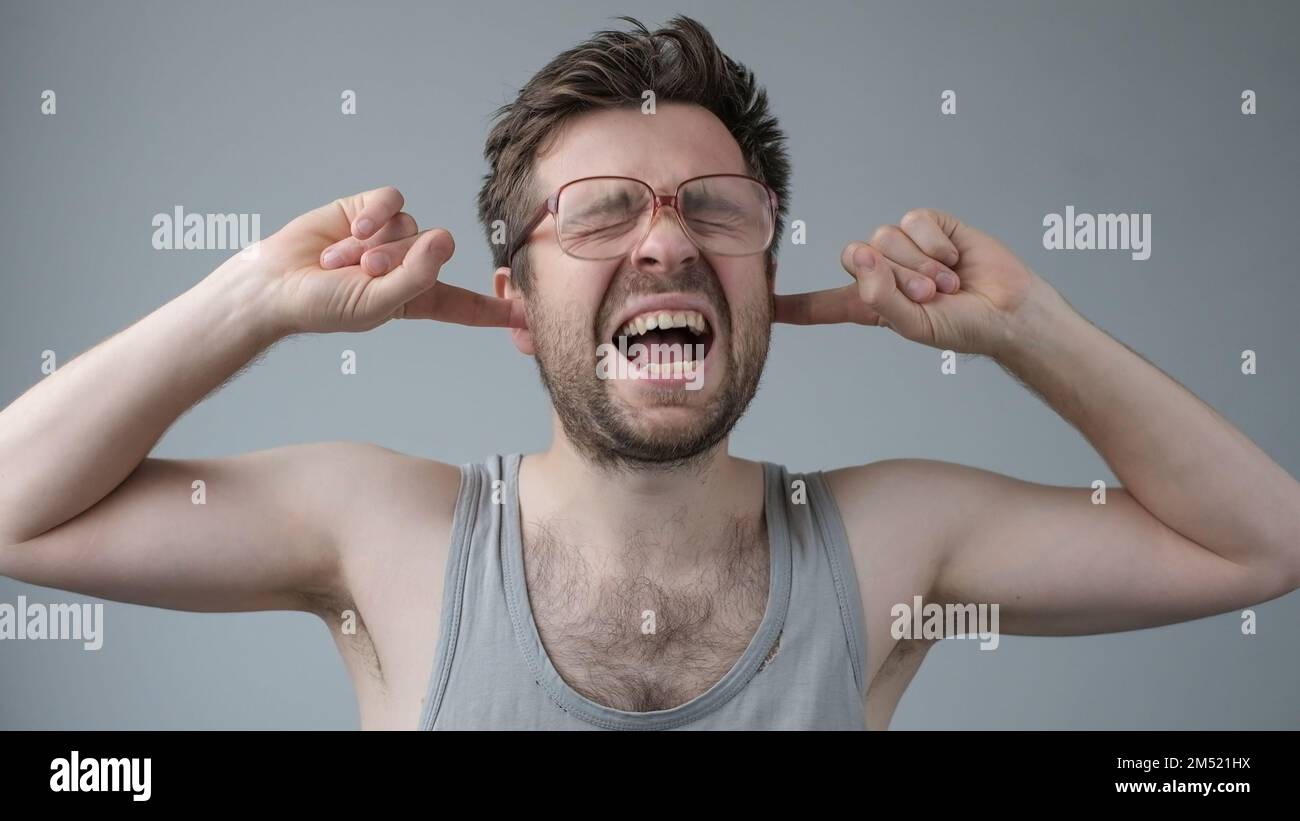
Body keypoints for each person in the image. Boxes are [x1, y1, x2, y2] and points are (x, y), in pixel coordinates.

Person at [1, 15, 1296, 730]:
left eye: (714, 208)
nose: (667, 237)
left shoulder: (892, 546)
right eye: (604, 211)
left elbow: (1259, 547)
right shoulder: (383, 535)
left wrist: (1029, 326)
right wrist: (253, 302)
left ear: (765, 273)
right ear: (514, 306)